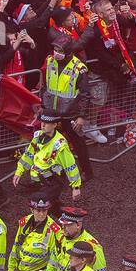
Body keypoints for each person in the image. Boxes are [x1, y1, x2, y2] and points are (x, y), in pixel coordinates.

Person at [39, 35, 94, 182]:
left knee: (78, 143)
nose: (56, 53)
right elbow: (45, 85)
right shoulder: (50, 61)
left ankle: (87, 172)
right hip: (52, 112)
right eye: (55, 49)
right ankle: (55, 172)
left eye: (60, 50)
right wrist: (43, 105)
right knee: (51, 143)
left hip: (71, 113)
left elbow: (85, 94)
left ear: (69, 52)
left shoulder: (79, 68)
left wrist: (81, 116)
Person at [12, 112, 83, 210]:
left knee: (38, 204)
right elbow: (28, 155)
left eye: (47, 123)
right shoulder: (37, 137)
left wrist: (76, 187)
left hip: (53, 181)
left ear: (54, 125)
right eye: (42, 122)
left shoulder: (60, 144)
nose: (43, 125)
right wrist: (19, 171)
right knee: (50, 205)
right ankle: (61, 215)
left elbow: (70, 165)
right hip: (40, 180)